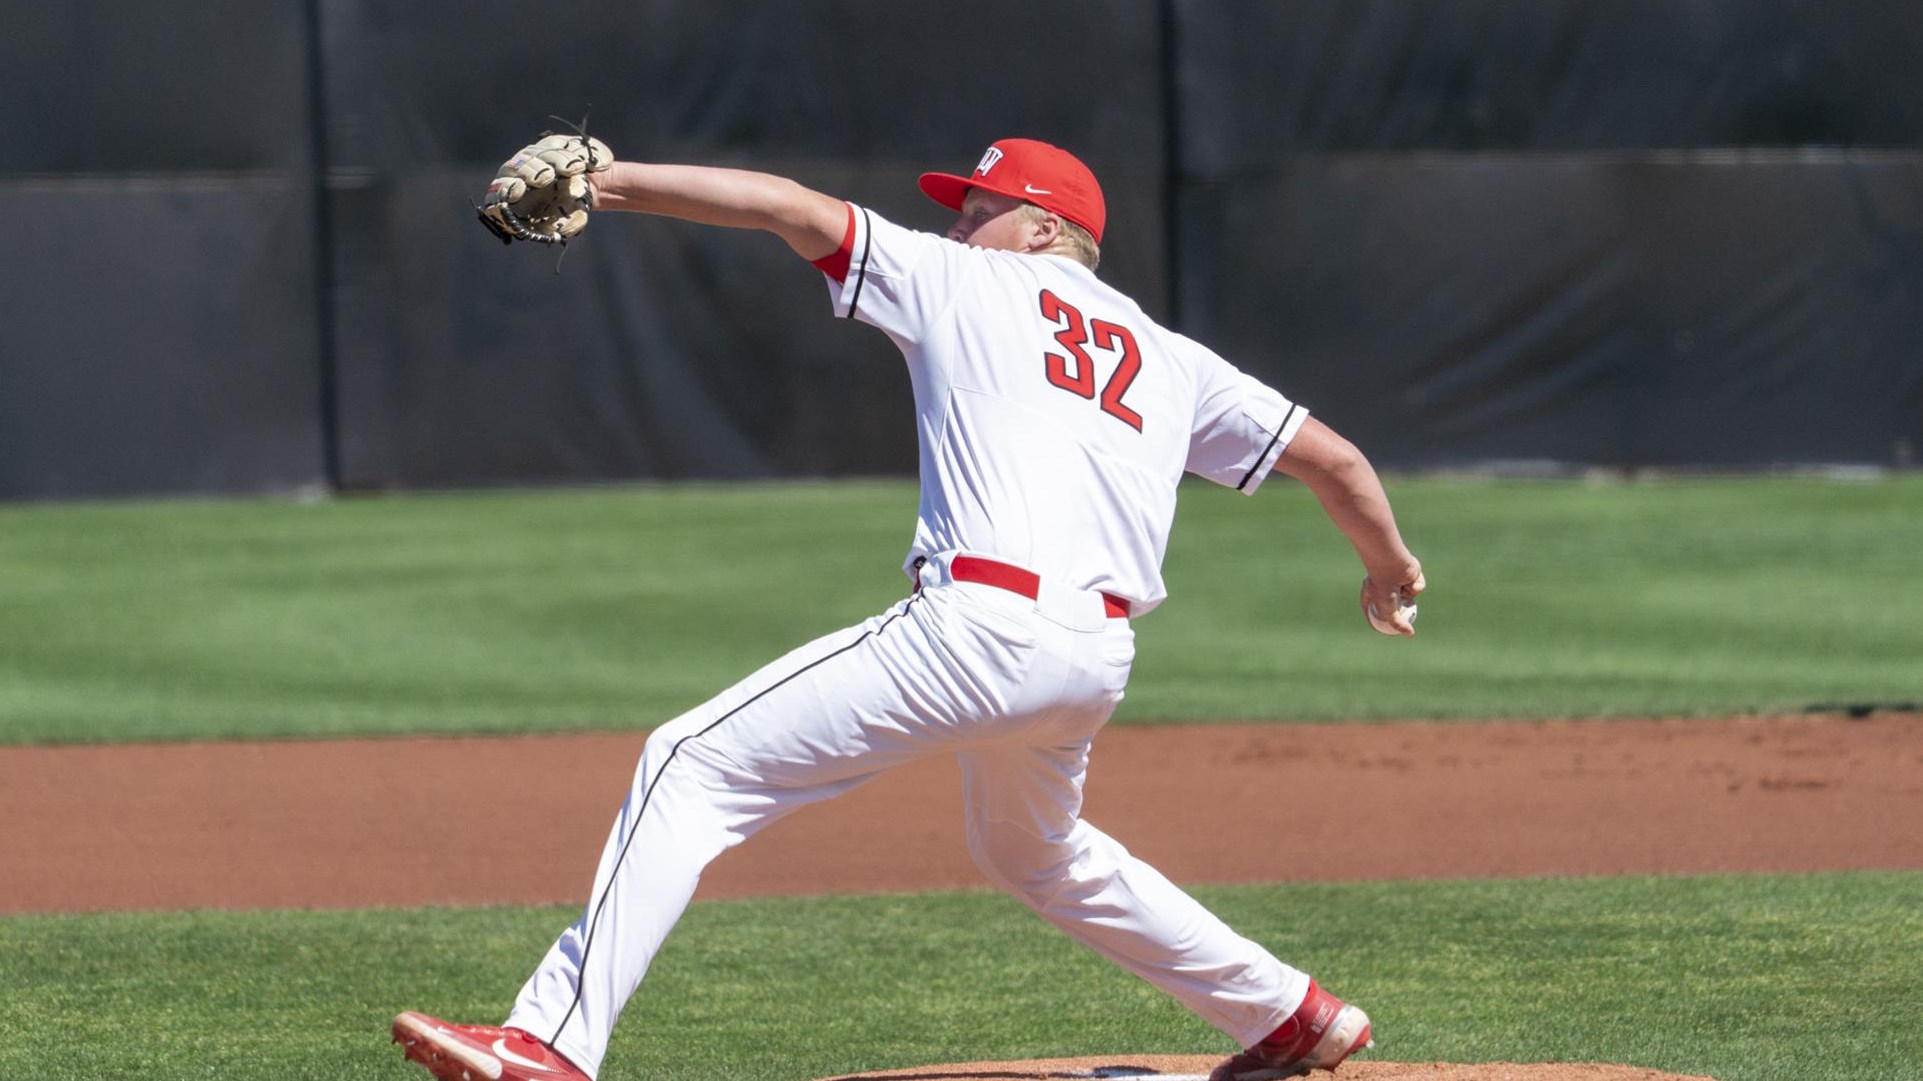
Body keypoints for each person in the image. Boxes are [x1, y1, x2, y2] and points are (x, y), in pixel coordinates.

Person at [394, 136, 1424, 1081]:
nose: (959, 224)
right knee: (1033, 851)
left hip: (978, 628)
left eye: (980, 207)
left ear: (1045, 230)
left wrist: (611, 185)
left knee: (690, 762)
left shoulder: (962, 277)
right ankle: (1289, 1012)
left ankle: (548, 1044)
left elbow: (787, 207)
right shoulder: (1171, 357)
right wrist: (1389, 568)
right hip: (1094, 659)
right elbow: (1334, 459)